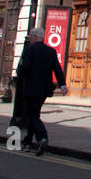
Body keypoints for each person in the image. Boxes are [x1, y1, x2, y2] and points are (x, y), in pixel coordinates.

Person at [16, 27, 66, 156]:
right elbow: (57, 69)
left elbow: (25, 67)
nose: (30, 39)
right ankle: (27, 142)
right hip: (44, 89)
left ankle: (42, 137)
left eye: (31, 37)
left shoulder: (29, 49)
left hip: (31, 87)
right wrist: (62, 85)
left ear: (34, 37)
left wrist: (20, 75)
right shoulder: (51, 51)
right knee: (34, 112)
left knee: (31, 114)